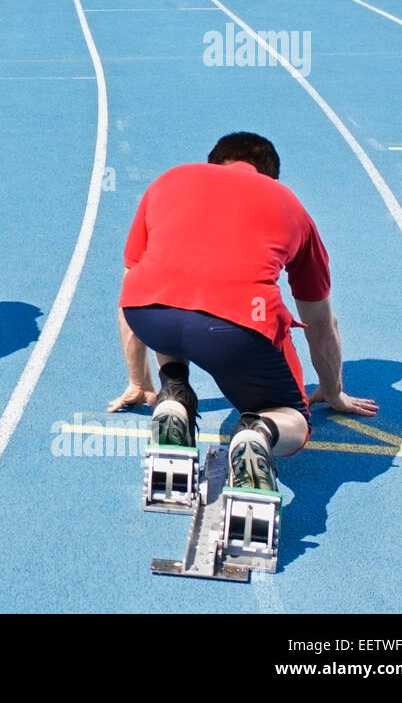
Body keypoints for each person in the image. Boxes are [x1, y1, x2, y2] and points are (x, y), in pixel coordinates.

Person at [108, 132, 378, 491]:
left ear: (212, 164)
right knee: (293, 419)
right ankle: (258, 434)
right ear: (270, 177)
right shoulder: (290, 204)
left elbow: (131, 283)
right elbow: (321, 323)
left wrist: (139, 382)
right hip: (238, 330)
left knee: (169, 287)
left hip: (149, 315)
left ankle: (173, 393)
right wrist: (332, 389)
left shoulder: (169, 180)